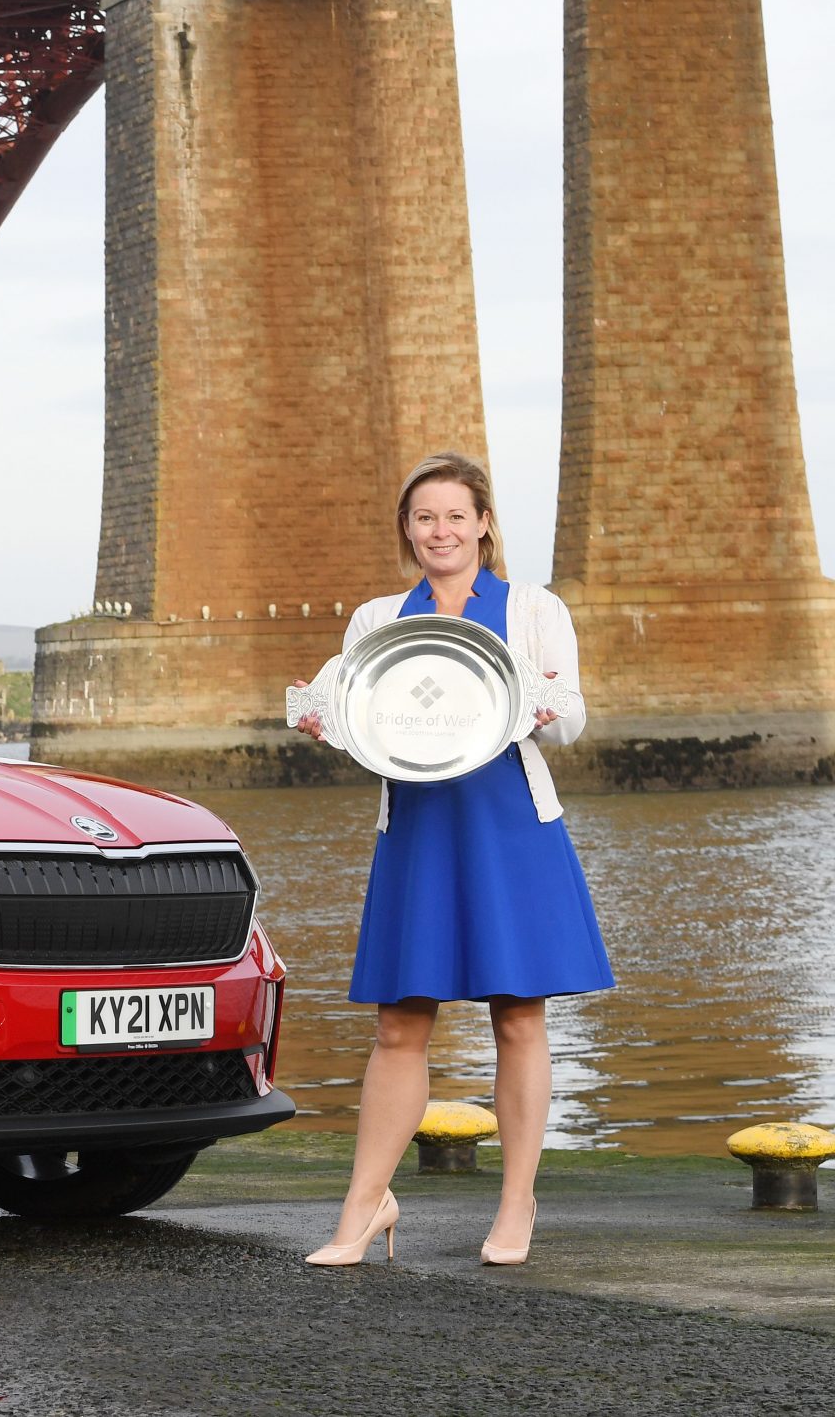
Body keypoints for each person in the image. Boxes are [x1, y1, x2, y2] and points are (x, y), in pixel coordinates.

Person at [293, 451, 613, 1268]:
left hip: (512, 824)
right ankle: (365, 1202)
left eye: (455, 516)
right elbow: (360, 723)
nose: (441, 531)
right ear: (408, 529)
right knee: (399, 1023)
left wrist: (542, 703)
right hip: (420, 827)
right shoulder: (376, 620)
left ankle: (516, 1202)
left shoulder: (534, 608)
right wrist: (324, 722)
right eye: (425, 517)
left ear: (483, 524)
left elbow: (572, 717)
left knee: (519, 1013)